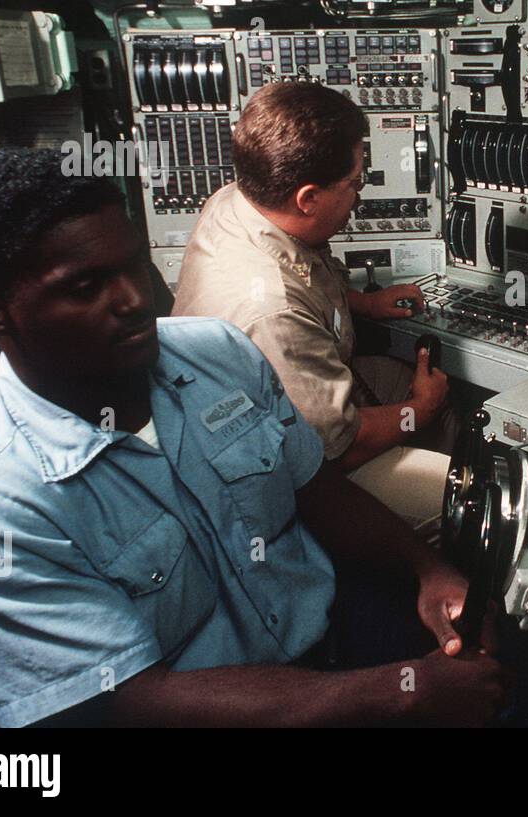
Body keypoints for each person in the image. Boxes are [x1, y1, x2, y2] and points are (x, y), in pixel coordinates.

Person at [0, 148, 509, 726]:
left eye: (134, 266)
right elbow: (134, 701)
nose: (135, 300)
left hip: (329, 629)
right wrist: (400, 694)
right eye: (86, 287)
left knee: (518, 667)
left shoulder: (217, 352)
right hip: (209, 710)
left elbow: (315, 489)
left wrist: (426, 569)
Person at [172, 82, 452, 537]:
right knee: (460, 499)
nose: (359, 193)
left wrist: (360, 302)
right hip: (289, 473)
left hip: (299, 397)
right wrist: (419, 410)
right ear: (308, 199)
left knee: (408, 383)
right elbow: (340, 448)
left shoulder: (240, 197)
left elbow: (302, 267)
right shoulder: (272, 311)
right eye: (354, 182)